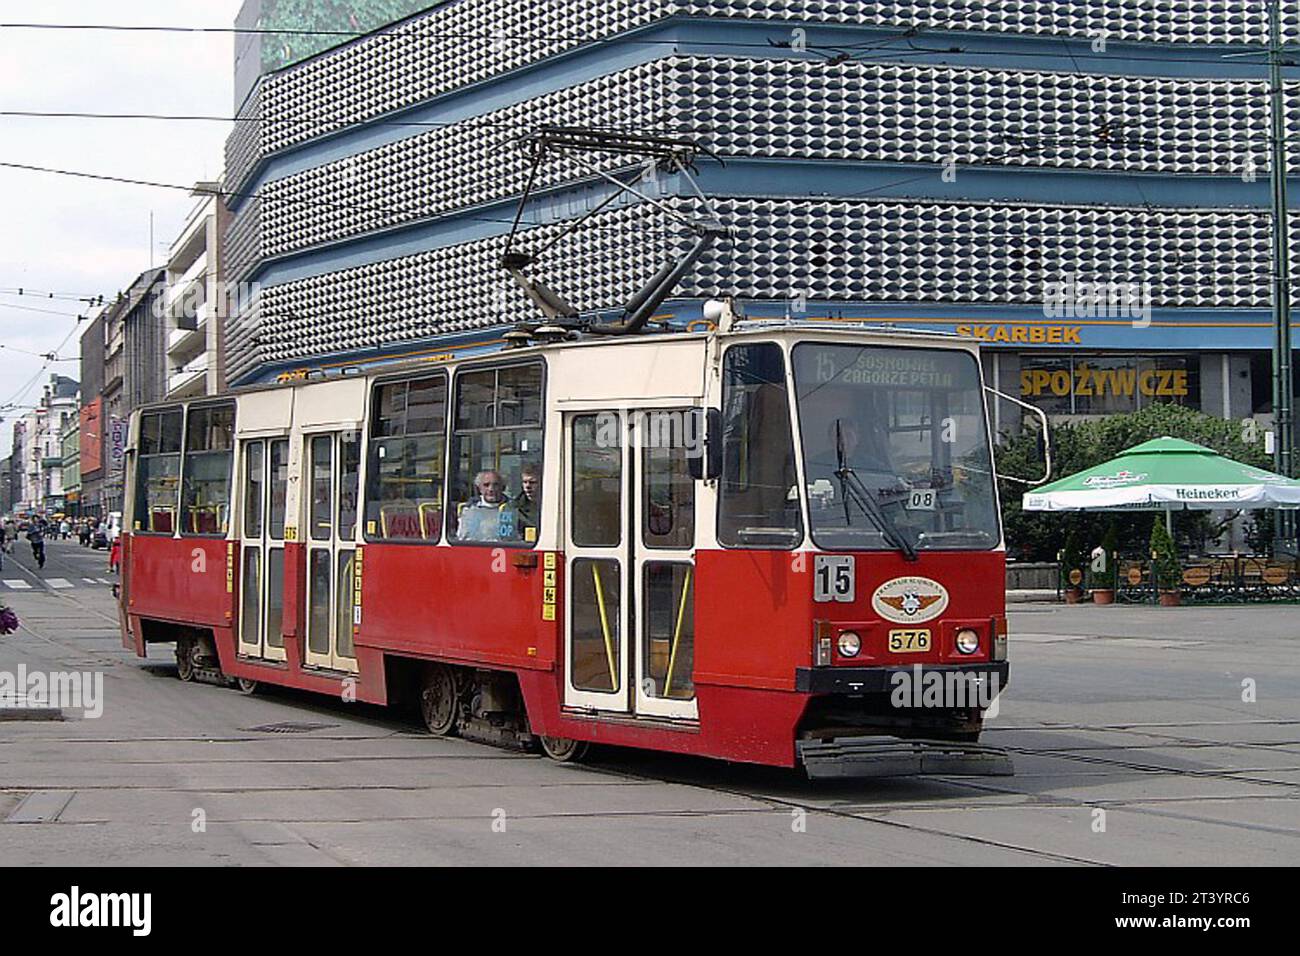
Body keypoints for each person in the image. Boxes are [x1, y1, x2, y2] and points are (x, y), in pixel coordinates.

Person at [455, 470, 511, 541]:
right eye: (486, 485)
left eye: (496, 485)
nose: (491, 489)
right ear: (479, 488)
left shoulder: (512, 508)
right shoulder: (469, 509)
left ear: (503, 487)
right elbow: (462, 537)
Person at [514, 463, 541, 541]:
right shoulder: (514, 507)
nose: (528, 486)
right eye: (525, 482)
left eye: (532, 482)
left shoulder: (553, 506)